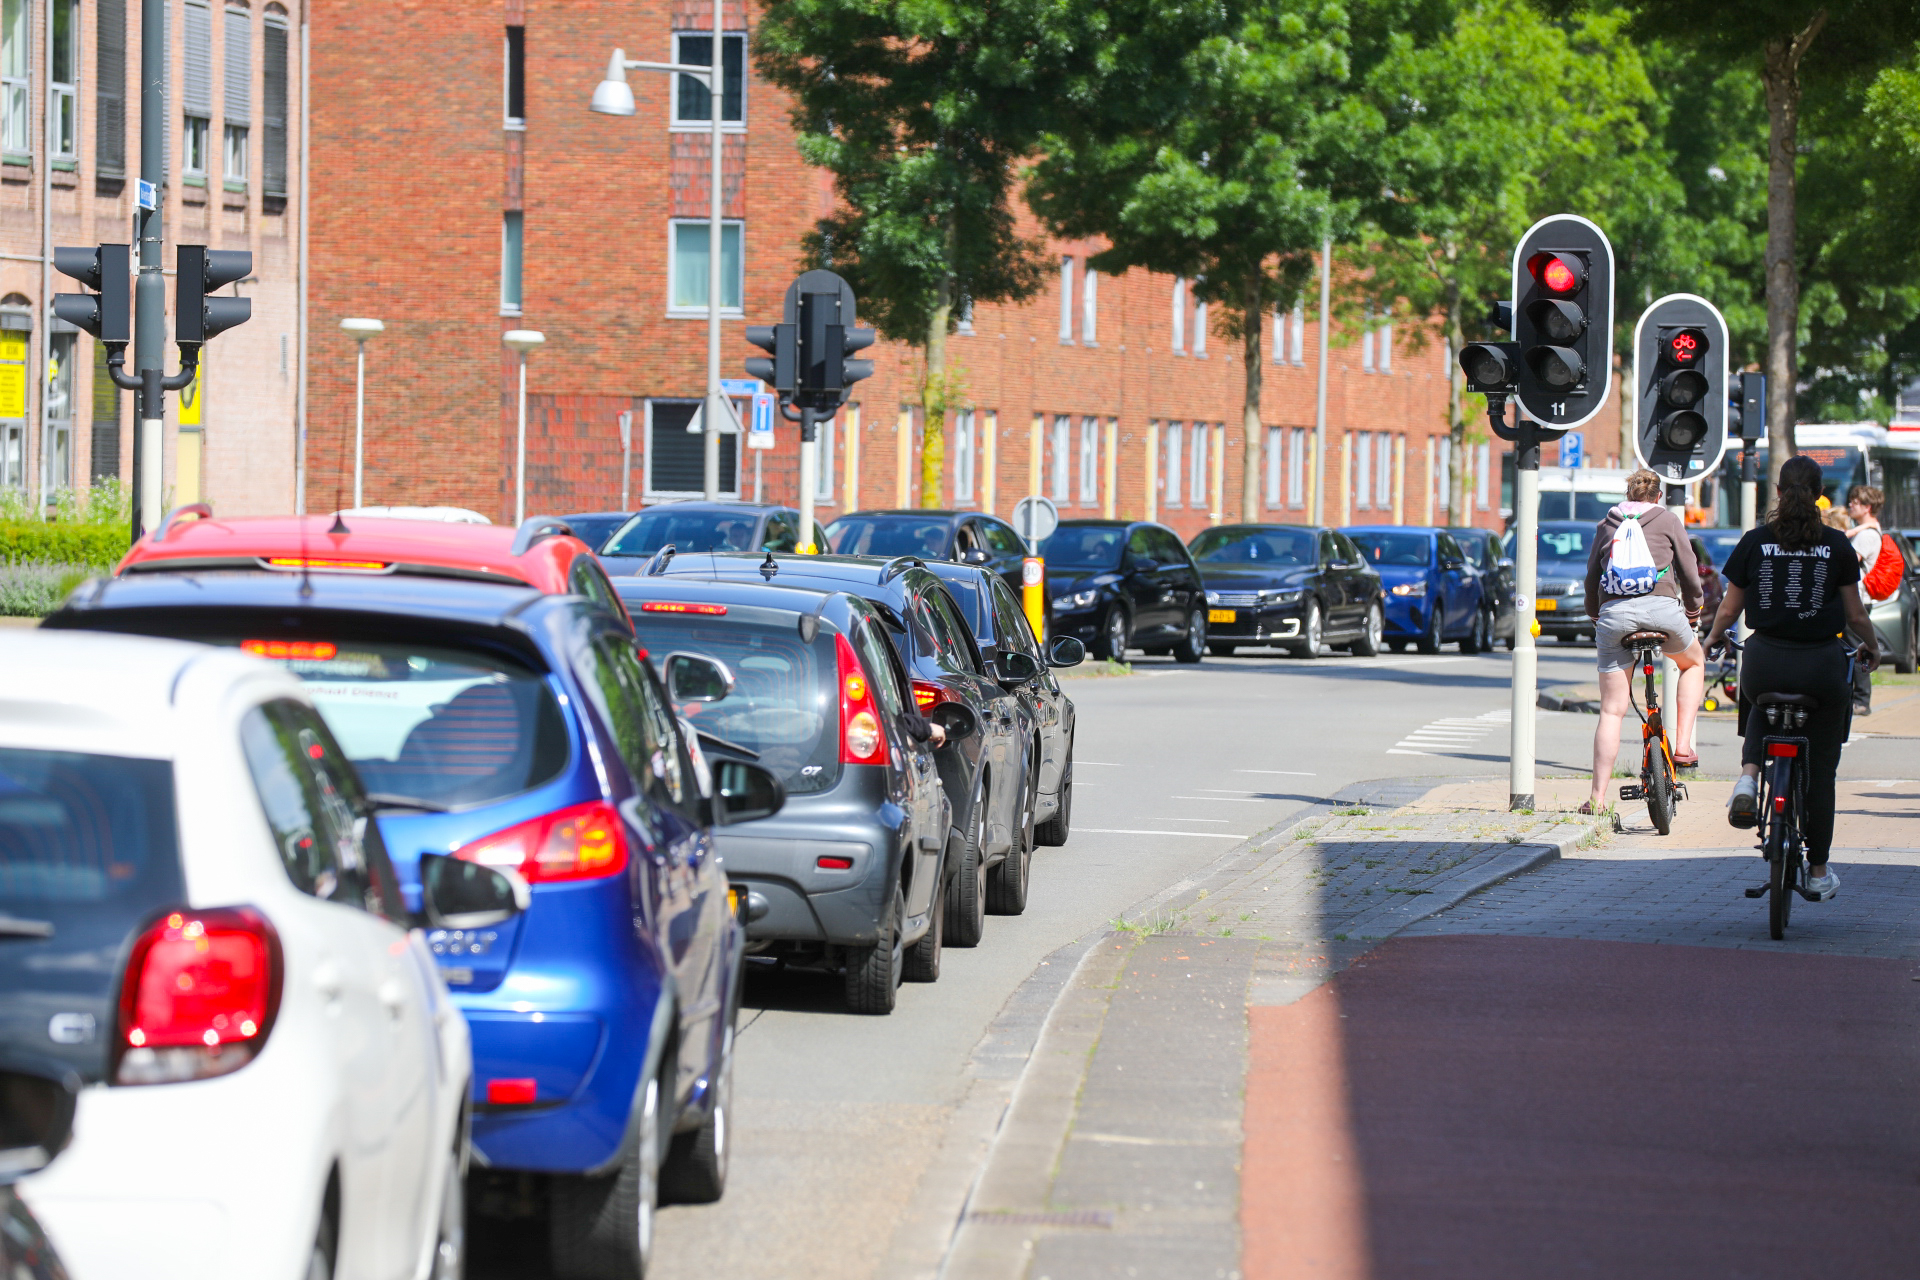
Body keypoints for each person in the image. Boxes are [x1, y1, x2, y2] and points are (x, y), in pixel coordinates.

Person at [1703, 455, 1881, 901]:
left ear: (1777, 492)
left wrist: (1711, 639)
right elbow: (1856, 614)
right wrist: (1873, 647)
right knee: (1821, 773)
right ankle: (1818, 870)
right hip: (1821, 665)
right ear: (1820, 494)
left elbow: (1729, 608)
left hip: (1765, 659)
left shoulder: (1756, 541)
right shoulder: (1838, 544)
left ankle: (1748, 777)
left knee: (1758, 698)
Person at [1583, 469, 1706, 814]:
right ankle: (1682, 745)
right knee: (1693, 662)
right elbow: (1690, 572)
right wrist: (1693, 612)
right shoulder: (1668, 520)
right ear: (1658, 496)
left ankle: (1597, 798)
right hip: (1664, 613)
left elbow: (1592, 576)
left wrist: (1598, 616)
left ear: (1627, 494)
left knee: (1611, 709)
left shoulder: (1607, 523)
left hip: (1614, 615)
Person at [1844, 484, 1885, 716]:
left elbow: (1849, 562)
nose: (1851, 505)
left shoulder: (1867, 535)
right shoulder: (1868, 530)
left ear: (1867, 507)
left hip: (1858, 599)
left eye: (1855, 502)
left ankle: (1861, 701)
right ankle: (1857, 699)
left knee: (1857, 648)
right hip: (1860, 598)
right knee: (1854, 647)